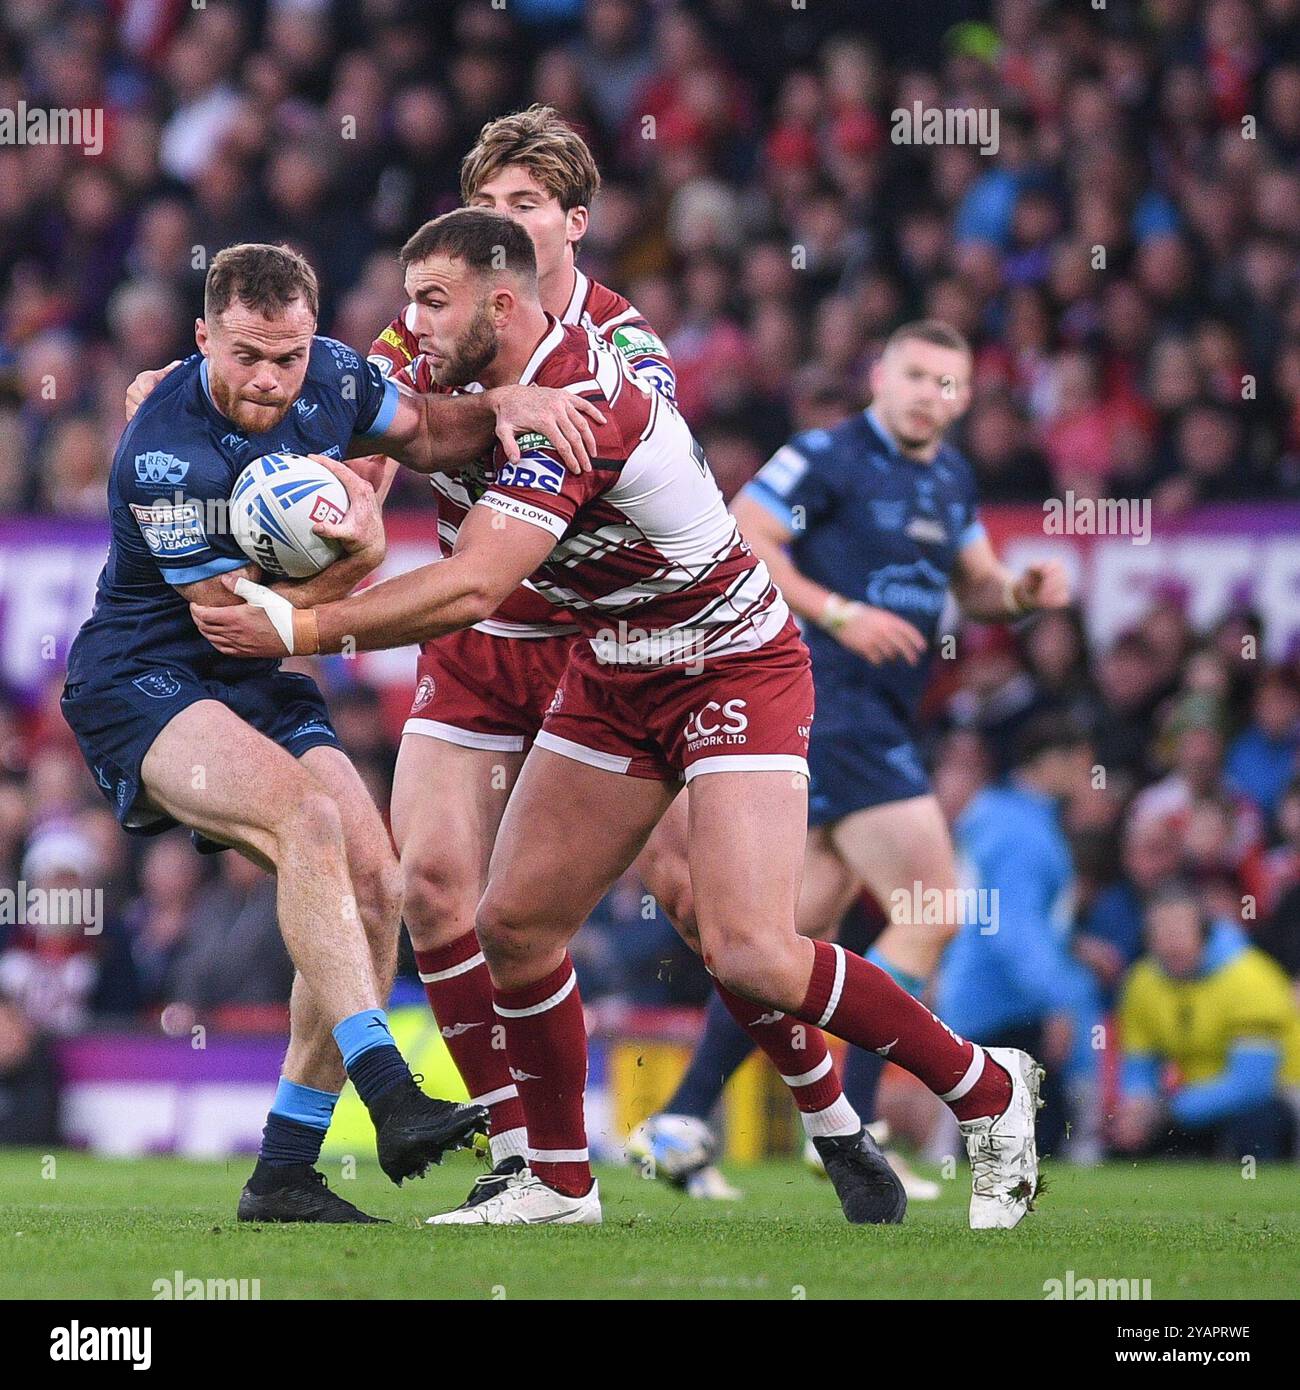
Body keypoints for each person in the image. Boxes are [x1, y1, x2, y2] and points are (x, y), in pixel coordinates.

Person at [194, 208, 1045, 1231]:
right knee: (511, 925)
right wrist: (178, 395)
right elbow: (359, 413)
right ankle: (556, 1181)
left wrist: (301, 619)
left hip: (727, 659)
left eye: (431, 301)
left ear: (501, 302)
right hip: (612, 662)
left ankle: (987, 1089)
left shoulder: (588, 403)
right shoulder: (461, 373)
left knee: (752, 951)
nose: (407, 322)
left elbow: (472, 588)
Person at [363, 105, 868, 1214]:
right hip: (478, 635)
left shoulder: (624, 341)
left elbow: (602, 450)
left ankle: (829, 1115)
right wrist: (350, 495)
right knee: (436, 887)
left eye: (525, 205)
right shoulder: (422, 328)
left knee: (712, 914)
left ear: (573, 223)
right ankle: (525, 1155)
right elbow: (367, 436)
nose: (501, 222)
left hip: (612, 643)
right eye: (484, 204)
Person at [63, 240, 603, 1222]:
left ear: (312, 336)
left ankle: (284, 1172)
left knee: (377, 880)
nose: (270, 379)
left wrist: (501, 407)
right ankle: (390, 1086)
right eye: (245, 357)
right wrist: (353, 567)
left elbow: (430, 437)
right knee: (305, 817)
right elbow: (229, 618)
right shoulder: (164, 452)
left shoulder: (338, 376)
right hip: (145, 675)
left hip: (255, 675)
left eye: (289, 354)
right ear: (201, 339)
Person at [636, 320, 1069, 1193]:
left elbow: (978, 587)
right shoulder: (826, 456)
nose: (928, 395)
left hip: (878, 717)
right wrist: (837, 614)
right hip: (827, 701)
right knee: (934, 903)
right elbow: (746, 531)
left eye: (948, 384)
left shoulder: (949, 477)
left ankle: (680, 1119)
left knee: (785, 940)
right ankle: (857, 1127)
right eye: (914, 375)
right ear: (879, 372)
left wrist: (1019, 593)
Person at [936, 716, 1104, 1160]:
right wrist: (1056, 999)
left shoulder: (1001, 818)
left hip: (982, 1002)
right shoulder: (1022, 832)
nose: (1088, 777)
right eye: (1080, 764)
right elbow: (1012, 927)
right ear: (1049, 762)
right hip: (1009, 1012)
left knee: (994, 1151)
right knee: (1030, 1159)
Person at [1113, 880, 1300, 1161]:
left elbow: (1252, 1085)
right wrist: (1139, 1106)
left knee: (1256, 1123)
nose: (1169, 943)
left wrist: (1168, 1110)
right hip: (1190, 1101)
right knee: (1129, 1137)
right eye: (1159, 933)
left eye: (1178, 932)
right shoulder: (1142, 983)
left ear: (1204, 932)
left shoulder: (1250, 978)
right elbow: (1138, 1064)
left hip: (1280, 1094)